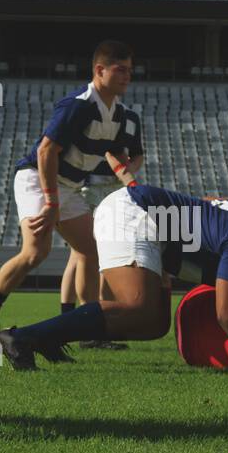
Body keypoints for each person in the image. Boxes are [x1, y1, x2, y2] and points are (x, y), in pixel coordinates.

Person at [0, 181, 228, 373]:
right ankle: (23, 337)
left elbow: (211, 201)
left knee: (153, 324)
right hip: (135, 212)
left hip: (154, 226)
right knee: (135, 305)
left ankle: (48, 337)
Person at [0, 41, 141, 346]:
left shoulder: (116, 113)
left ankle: (88, 333)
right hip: (37, 178)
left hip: (68, 186)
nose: (127, 76)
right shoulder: (79, 104)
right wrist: (50, 201)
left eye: (130, 70)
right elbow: (46, 150)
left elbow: (116, 155)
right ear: (99, 70)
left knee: (91, 250)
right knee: (36, 251)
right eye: (120, 70)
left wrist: (133, 185)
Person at [58, 109, 145, 351]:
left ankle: (75, 323)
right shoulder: (95, 113)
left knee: (83, 252)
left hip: (115, 187)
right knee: (90, 251)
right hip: (89, 185)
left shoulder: (130, 117)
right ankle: (89, 327)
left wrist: (128, 171)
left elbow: (137, 154)